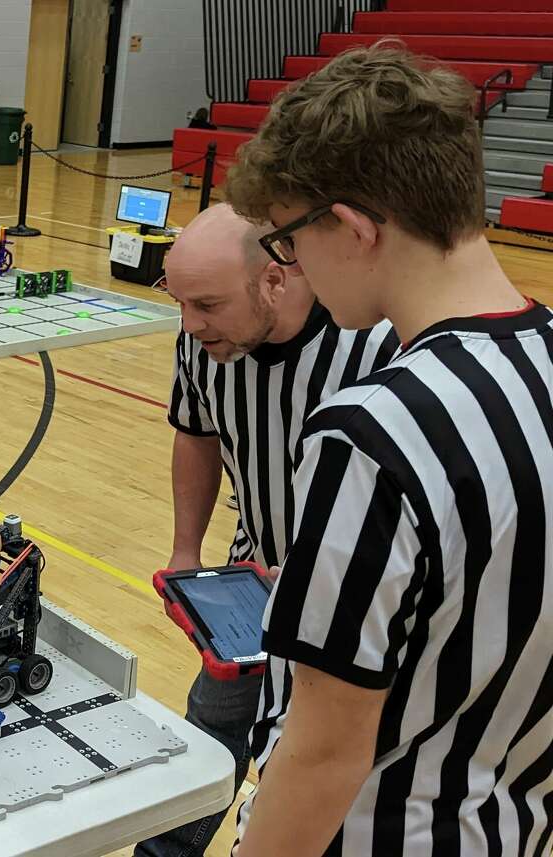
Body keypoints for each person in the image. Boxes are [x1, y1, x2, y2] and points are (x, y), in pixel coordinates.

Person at [224, 46, 553, 856]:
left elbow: (326, 753)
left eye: (290, 241)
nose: (289, 265)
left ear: (354, 228)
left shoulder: (375, 428)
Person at [133, 202, 397, 857]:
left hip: (352, 610)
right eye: (180, 301)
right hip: (252, 584)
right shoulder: (202, 337)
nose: (191, 324)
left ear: (273, 280)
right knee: (207, 740)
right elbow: (194, 434)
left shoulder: (373, 344)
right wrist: (186, 551)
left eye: (209, 305)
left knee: (311, 769)